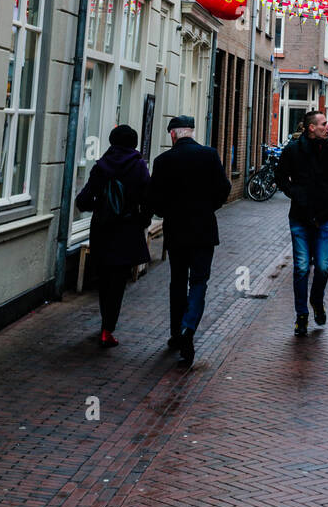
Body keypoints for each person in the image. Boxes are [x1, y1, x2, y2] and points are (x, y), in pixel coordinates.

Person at [148, 115, 231, 367]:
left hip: (176, 231)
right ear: (191, 132)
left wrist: (166, 212)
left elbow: (154, 200)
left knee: (177, 281)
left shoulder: (163, 161)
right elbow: (224, 188)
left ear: (173, 134)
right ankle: (189, 327)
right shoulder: (209, 155)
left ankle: (175, 333)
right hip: (204, 229)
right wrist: (209, 208)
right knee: (199, 281)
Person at [75, 124, 152, 349]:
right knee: (118, 282)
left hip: (103, 230)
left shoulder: (102, 166)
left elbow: (83, 200)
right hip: (126, 230)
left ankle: (105, 326)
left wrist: (100, 206)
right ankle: (108, 328)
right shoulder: (139, 166)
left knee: (104, 279)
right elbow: (148, 199)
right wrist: (142, 220)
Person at [275, 110, 328, 336]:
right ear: (311, 127)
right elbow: (280, 176)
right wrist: (295, 193)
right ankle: (301, 314)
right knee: (302, 267)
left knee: (323, 267)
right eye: (324, 123)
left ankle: (316, 300)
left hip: (323, 217)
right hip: (300, 218)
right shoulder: (293, 150)